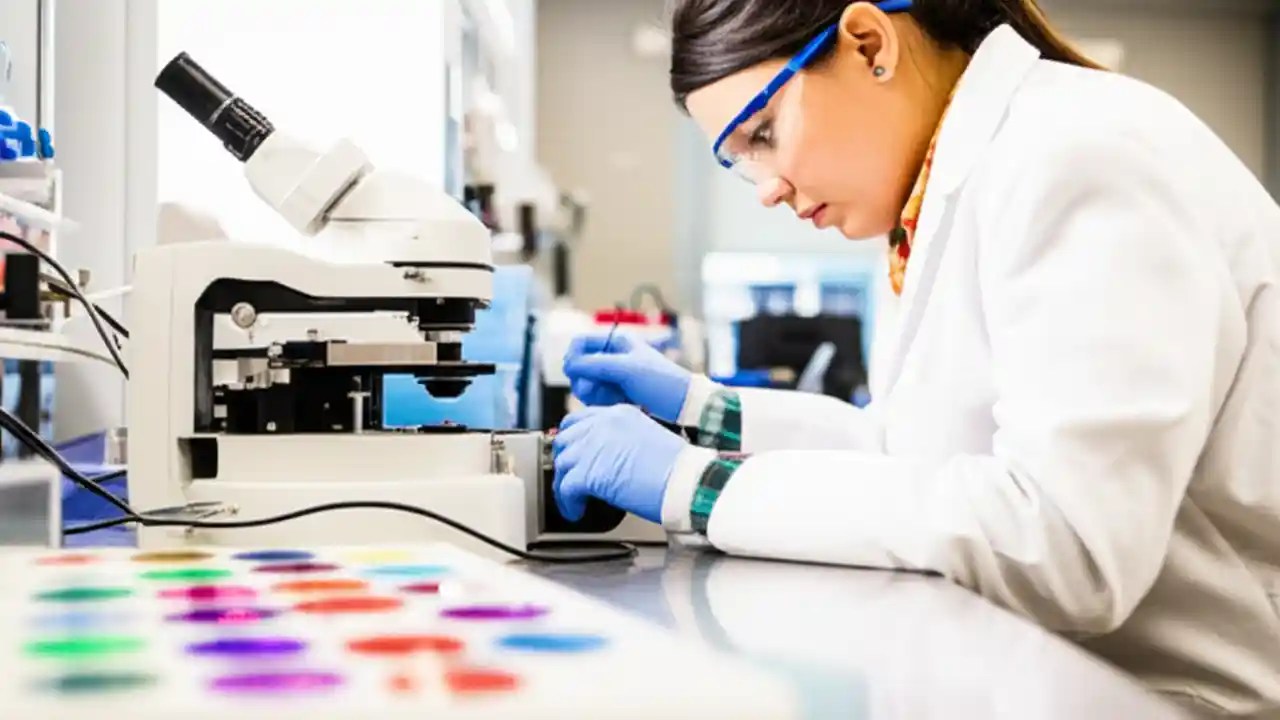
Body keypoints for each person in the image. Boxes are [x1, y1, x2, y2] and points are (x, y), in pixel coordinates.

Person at [550, 0, 1280, 716]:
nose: (767, 188)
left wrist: (697, 488)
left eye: (764, 133)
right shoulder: (932, 192)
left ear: (869, 44)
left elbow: (1064, 545)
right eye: (739, 159)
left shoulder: (1078, 155)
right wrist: (706, 409)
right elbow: (911, 451)